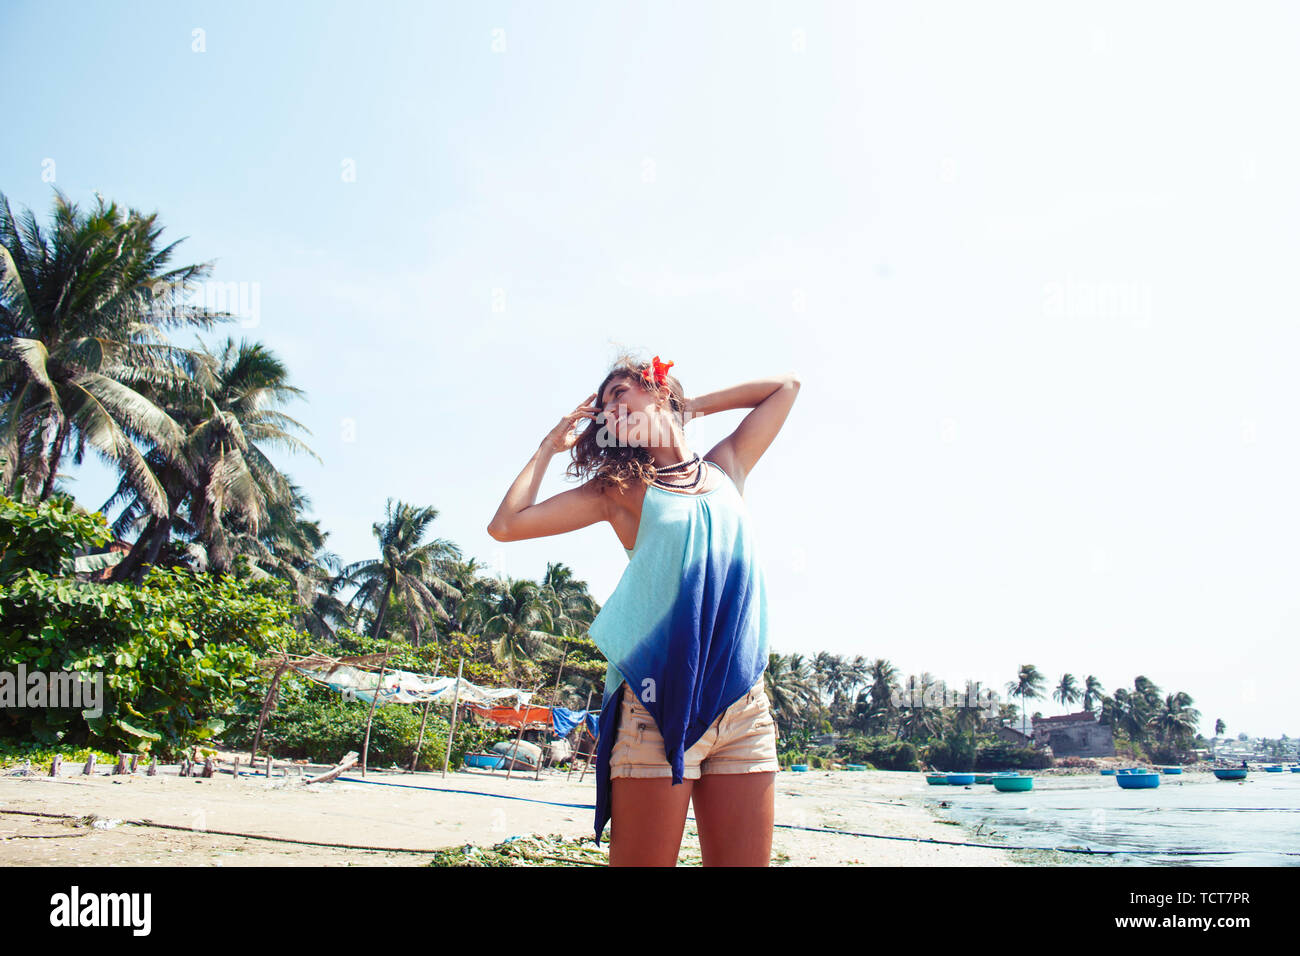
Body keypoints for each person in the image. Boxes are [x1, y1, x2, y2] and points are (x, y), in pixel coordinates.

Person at [487, 353, 800, 866]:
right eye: (604, 406)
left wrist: (689, 407)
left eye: (618, 394)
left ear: (657, 391)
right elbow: (507, 525)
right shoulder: (621, 492)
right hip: (654, 708)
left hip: (742, 705)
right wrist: (548, 447)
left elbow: (786, 385)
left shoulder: (728, 466)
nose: (609, 410)